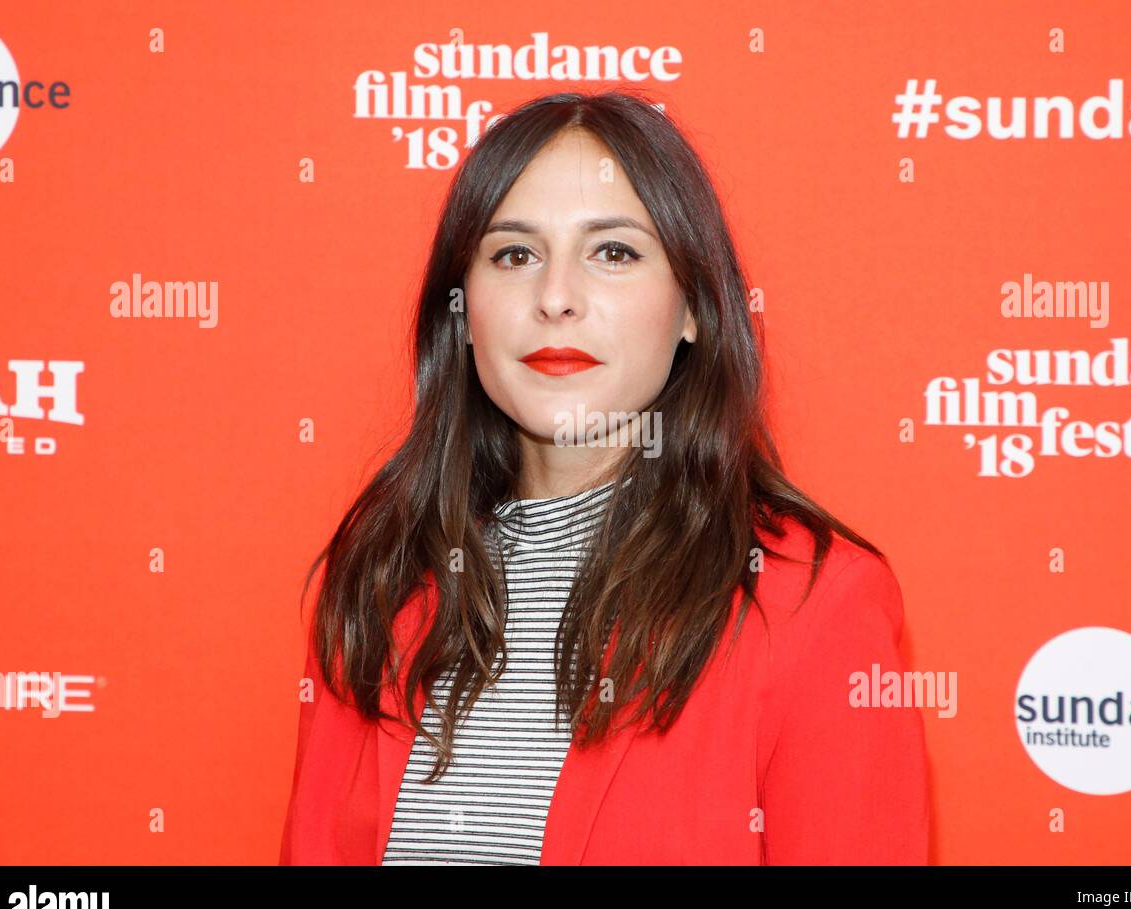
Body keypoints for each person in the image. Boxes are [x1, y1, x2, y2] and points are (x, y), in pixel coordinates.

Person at [279, 90, 929, 865]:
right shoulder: (385, 577)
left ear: (693, 306)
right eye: (514, 254)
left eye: (613, 252)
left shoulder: (812, 605)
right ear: (462, 309)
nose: (555, 298)